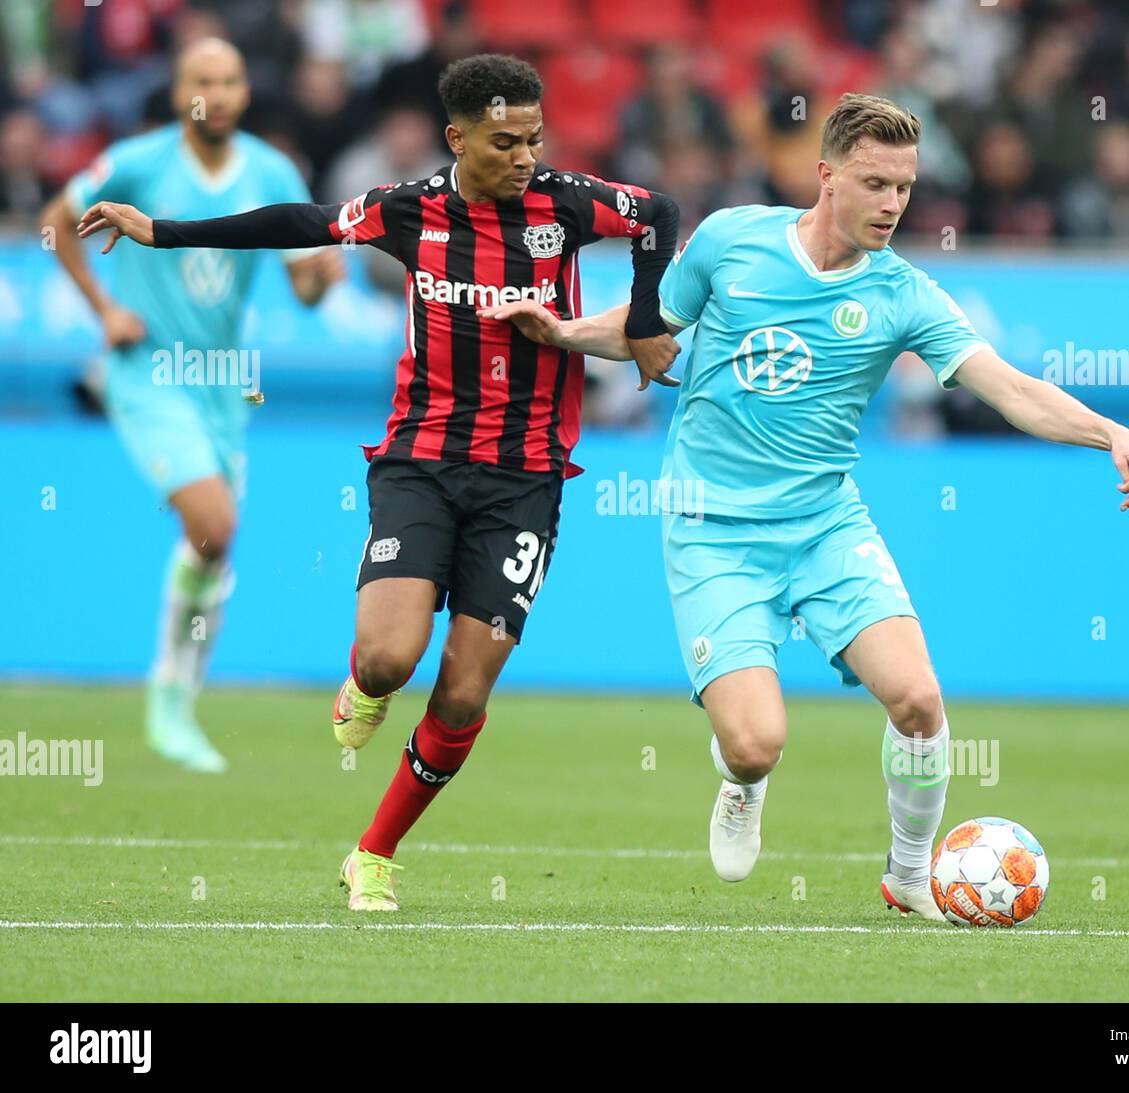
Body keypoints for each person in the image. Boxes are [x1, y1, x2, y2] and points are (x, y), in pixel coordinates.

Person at [486, 94, 1129, 922]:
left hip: (825, 524)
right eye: (875, 183)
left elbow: (1012, 390)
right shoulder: (732, 239)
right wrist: (559, 334)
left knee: (918, 698)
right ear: (827, 175)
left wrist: (1110, 432)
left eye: (905, 188)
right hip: (713, 529)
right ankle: (742, 783)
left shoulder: (903, 293)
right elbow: (650, 328)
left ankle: (910, 873)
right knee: (756, 741)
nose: (892, 204)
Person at [77, 53, 680, 911]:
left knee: (465, 691)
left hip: (527, 476)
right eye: (505, 142)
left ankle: (375, 850)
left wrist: (649, 316)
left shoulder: (566, 203)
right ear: (457, 138)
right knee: (391, 657)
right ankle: (363, 683)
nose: (524, 158)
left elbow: (658, 213)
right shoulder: (411, 209)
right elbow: (303, 221)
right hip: (421, 460)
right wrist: (164, 231)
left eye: (534, 140)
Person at [44, 38, 343, 772]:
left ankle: (180, 694)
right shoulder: (140, 163)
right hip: (146, 371)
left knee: (216, 544)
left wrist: (322, 279)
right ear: (181, 93)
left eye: (230, 80)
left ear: (244, 92)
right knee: (214, 521)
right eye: (201, 80)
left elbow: (304, 287)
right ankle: (169, 698)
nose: (216, 92)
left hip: (223, 383)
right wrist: (104, 310)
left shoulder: (272, 171)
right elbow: (57, 221)